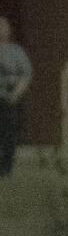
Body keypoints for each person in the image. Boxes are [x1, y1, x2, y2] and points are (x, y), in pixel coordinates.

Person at [0, 17, 32, 178]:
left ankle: (6, 167)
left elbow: (25, 75)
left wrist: (16, 94)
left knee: (9, 134)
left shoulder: (16, 51)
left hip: (10, 100)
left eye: (3, 27)